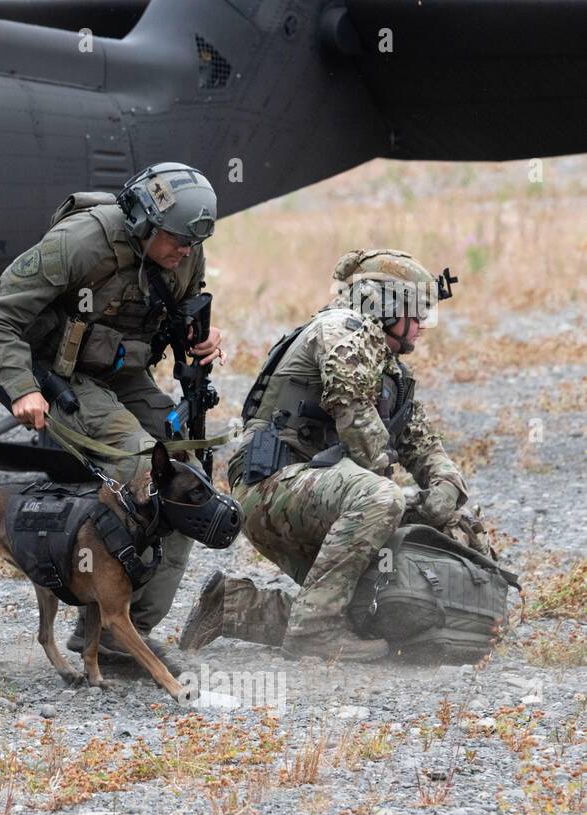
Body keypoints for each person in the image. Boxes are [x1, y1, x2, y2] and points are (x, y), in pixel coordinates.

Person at [0, 163, 226, 671]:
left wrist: (201, 342)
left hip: (124, 375)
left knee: (188, 482)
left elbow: (180, 314)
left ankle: (124, 630)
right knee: (141, 470)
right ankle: (110, 624)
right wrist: (22, 389)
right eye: (176, 240)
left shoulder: (184, 250)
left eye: (193, 244)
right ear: (146, 224)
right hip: (61, 381)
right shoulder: (81, 243)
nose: (186, 253)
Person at [181, 249, 472, 661]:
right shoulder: (342, 330)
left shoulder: (389, 368)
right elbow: (356, 421)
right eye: (417, 311)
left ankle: (233, 607)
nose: (423, 324)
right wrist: (405, 507)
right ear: (384, 305)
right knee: (382, 499)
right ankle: (314, 631)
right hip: (272, 485)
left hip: (317, 494)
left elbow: (421, 442)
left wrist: (445, 487)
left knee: (369, 610)